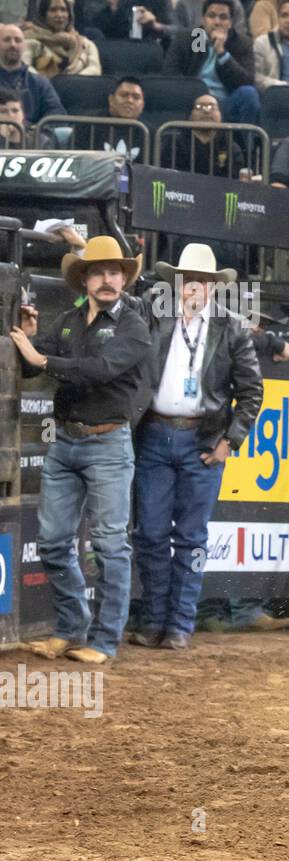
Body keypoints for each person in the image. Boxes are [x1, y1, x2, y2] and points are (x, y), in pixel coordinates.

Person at [10, 236, 153, 664]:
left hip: (109, 443)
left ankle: (105, 640)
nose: (108, 280)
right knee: (54, 542)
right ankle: (72, 628)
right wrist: (34, 343)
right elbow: (30, 362)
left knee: (110, 545)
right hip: (67, 442)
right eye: (99, 272)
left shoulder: (133, 324)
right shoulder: (68, 321)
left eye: (115, 272)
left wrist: (42, 359)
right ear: (86, 279)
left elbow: (99, 369)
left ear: (125, 279)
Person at [131, 244, 263, 651]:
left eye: (201, 281)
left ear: (212, 287)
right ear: (176, 283)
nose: (194, 288)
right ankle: (155, 621)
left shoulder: (232, 327)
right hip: (153, 433)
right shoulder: (153, 314)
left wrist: (230, 442)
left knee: (191, 537)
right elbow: (126, 305)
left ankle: (180, 624)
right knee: (150, 533)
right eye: (187, 280)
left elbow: (252, 392)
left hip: (202, 441)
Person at [162, 0, 261, 126]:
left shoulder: (241, 43)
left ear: (231, 23)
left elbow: (246, 81)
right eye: (211, 16)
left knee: (249, 94)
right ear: (203, 19)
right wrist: (197, 93)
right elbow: (170, 73)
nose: (217, 22)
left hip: (226, 102)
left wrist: (222, 53)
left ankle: (245, 145)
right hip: (193, 100)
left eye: (223, 17)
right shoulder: (188, 39)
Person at [0, 22, 64, 124]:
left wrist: (32, 132)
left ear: (24, 46)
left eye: (18, 40)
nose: (13, 44)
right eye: (7, 40)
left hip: (30, 137)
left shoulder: (40, 83)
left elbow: (57, 117)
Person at [22, 0, 101, 77]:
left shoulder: (86, 44)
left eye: (63, 10)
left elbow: (95, 70)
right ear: (43, 15)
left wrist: (69, 81)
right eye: (53, 10)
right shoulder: (30, 42)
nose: (59, 15)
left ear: (69, 15)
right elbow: (25, 69)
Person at [93, 0, 170, 42]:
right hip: (111, 49)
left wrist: (155, 26)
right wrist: (114, 8)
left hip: (146, 48)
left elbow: (177, 30)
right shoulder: (100, 6)